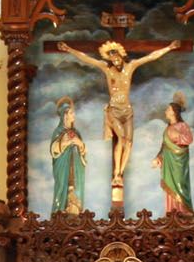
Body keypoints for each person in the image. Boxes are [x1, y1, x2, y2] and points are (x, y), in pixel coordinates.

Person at [58, 39, 185, 193]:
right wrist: (69, 49)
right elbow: (87, 59)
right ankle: (116, 173)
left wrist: (169, 47)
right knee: (122, 139)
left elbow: (150, 57)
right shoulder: (107, 68)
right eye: (112, 59)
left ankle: (120, 173)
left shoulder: (130, 67)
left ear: (121, 55)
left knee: (129, 143)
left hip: (127, 111)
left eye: (117, 58)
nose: (115, 61)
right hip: (114, 112)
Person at [153, 92, 194, 213]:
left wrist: (177, 135)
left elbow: (189, 139)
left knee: (179, 186)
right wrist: (158, 158)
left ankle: (183, 212)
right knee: (169, 188)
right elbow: (164, 147)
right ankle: (171, 213)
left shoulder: (182, 126)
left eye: (168, 109)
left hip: (179, 165)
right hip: (169, 163)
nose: (166, 111)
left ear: (174, 112)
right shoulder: (167, 129)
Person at [50, 97, 89, 213]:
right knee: (63, 189)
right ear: (65, 115)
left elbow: (83, 152)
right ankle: (60, 211)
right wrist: (67, 143)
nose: (74, 115)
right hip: (63, 170)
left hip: (76, 170)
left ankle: (75, 211)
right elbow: (54, 150)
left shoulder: (76, 133)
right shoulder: (58, 132)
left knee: (75, 195)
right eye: (71, 113)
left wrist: (80, 144)